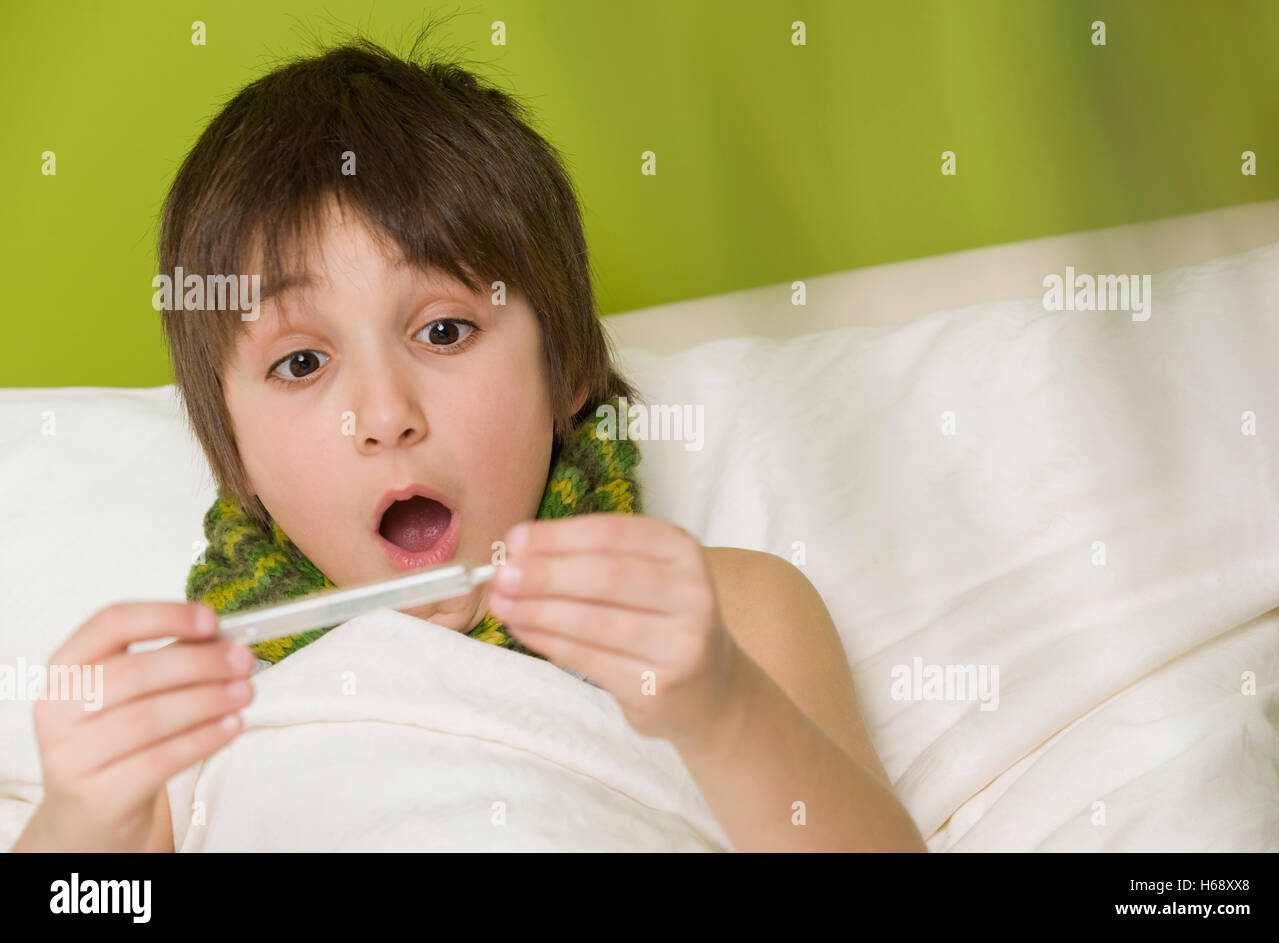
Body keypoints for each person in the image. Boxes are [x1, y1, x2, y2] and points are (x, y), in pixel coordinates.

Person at [12, 27, 925, 853]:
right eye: (300, 363)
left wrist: (722, 708)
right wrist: (79, 827)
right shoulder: (183, 702)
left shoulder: (727, 616)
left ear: (565, 371)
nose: (383, 414)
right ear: (237, 461)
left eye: (443, 331)